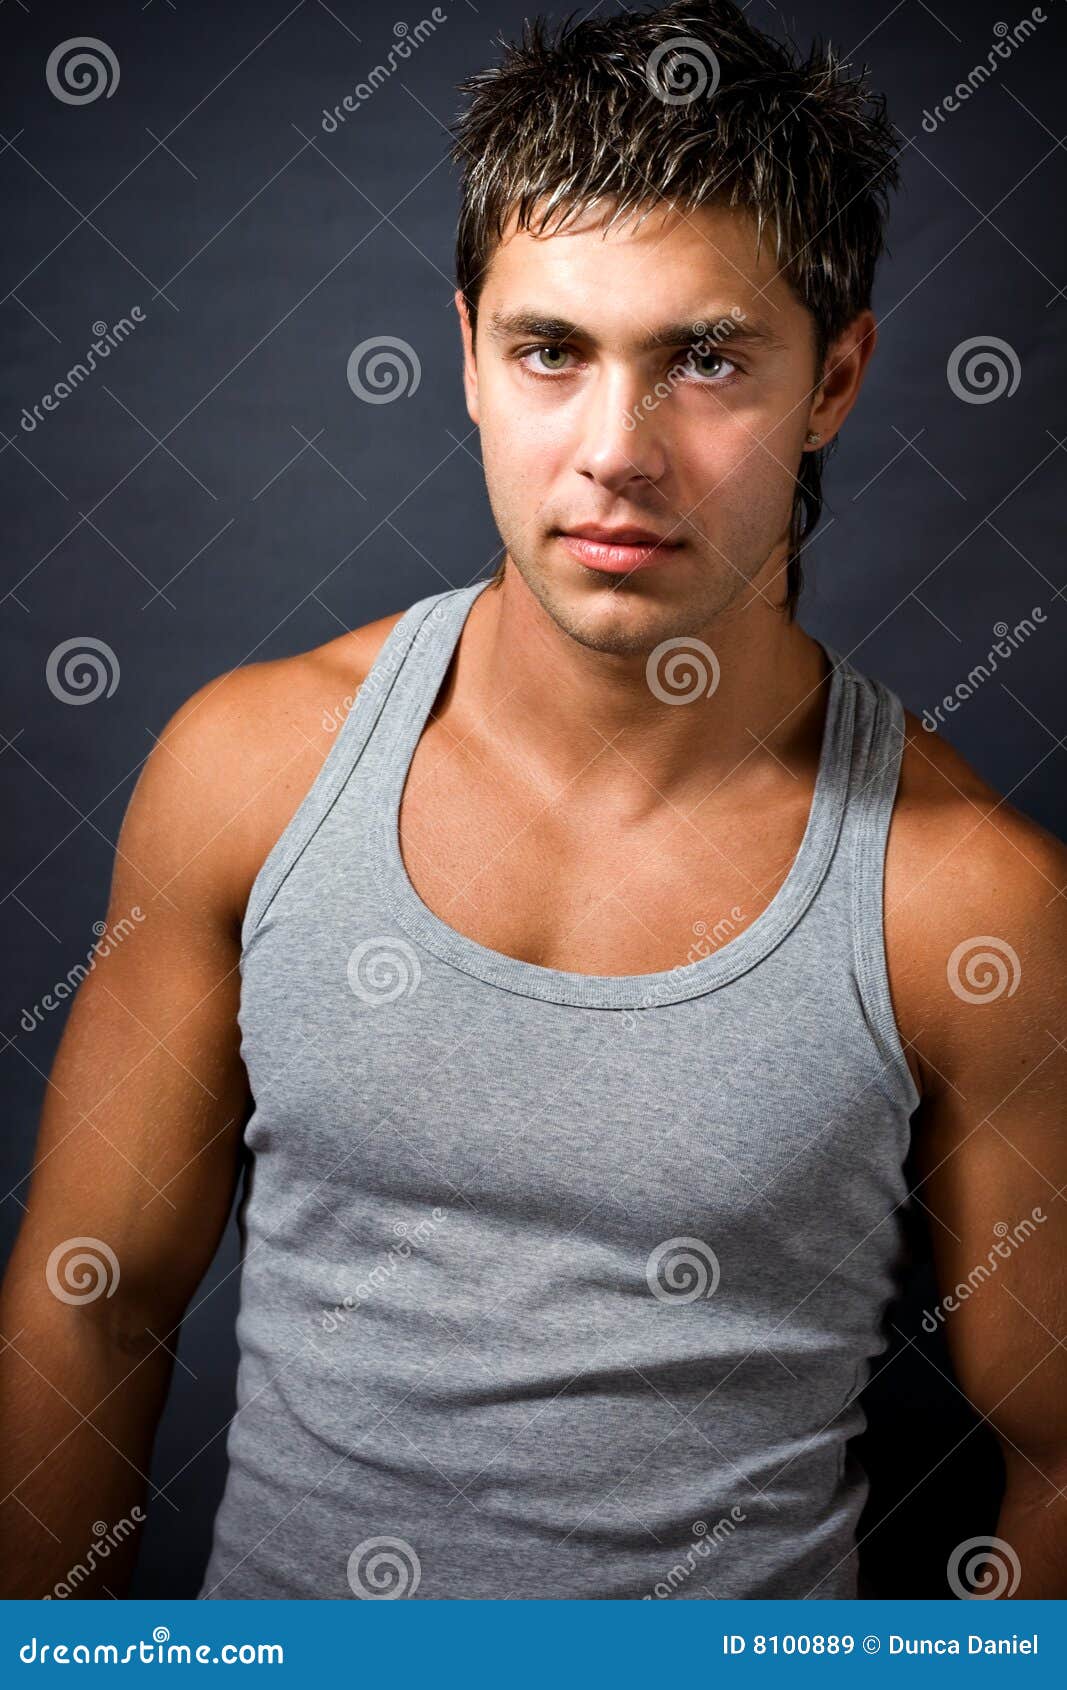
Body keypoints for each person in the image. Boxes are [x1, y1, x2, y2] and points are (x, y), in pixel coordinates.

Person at [2, 0, 1065, 1602]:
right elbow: (97, 1303)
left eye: (706, 358)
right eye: (553, 350)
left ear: (835, 376)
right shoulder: (251, 767)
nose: (616, 453)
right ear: (471, 358)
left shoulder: (967, 899)